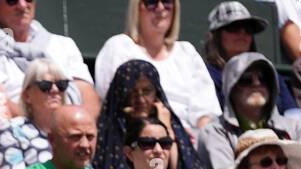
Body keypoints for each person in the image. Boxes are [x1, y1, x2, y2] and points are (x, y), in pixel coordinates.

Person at [197, 52, 301, 169]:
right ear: (231, 87)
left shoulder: (293, 128)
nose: (256, 84)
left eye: (264, 79)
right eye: (246, 79)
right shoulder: (214, 132)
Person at [95, 0, 221, 136]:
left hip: (191, 141)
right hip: (140, 138)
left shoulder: (187, 52)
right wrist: (169, 132)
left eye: (167, 2)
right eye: (151, 2)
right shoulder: (119, 47)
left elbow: (206, 113)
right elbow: (114, 105)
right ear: (137, 8)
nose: (161, 8)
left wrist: (199, 140)